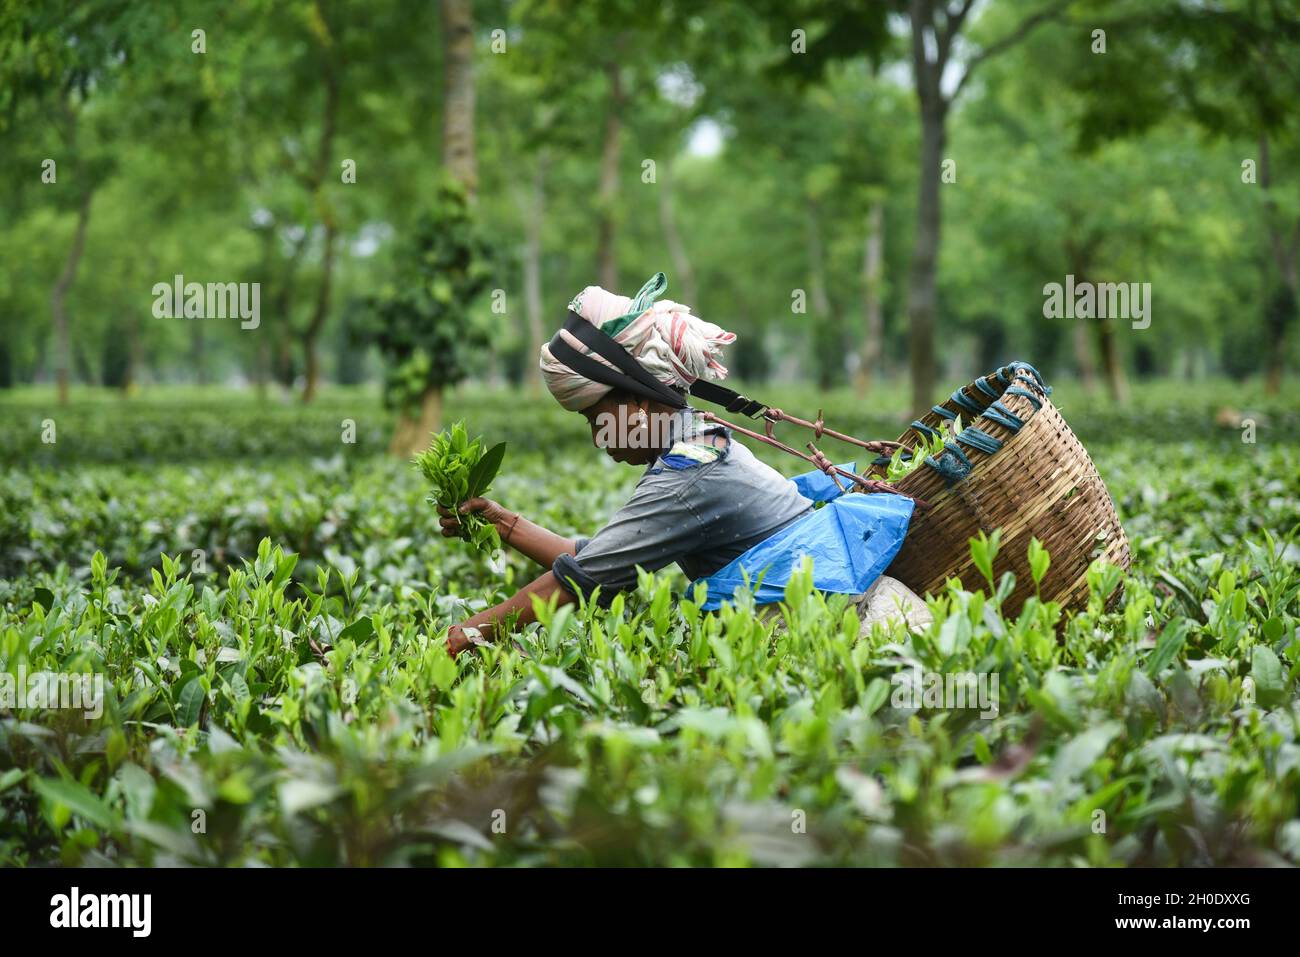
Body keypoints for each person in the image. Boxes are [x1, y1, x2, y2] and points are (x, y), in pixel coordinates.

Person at [441, 274, 815, 656]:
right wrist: (501, 521)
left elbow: (582, 581)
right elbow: (600, 561)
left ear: (637, 405)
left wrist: (468, 634)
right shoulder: (697, 443)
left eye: (596, 418)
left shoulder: (687, 475)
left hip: (819, 624)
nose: (597, 437)